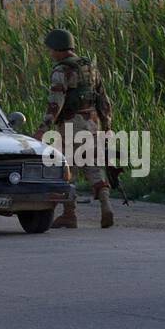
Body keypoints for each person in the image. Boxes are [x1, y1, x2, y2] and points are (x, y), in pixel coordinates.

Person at [33, 28, 114, 229]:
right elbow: (103, 99)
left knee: (68, 170)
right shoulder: (90, 67)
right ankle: (106, 205)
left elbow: (56, 101)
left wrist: (44, 127)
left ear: (60, 49)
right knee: (93, 166)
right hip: (92, 122)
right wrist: (107, 126)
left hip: (71, 124)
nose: (51, 54)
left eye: (52, 50)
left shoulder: (61, 70)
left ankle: (70, 214)